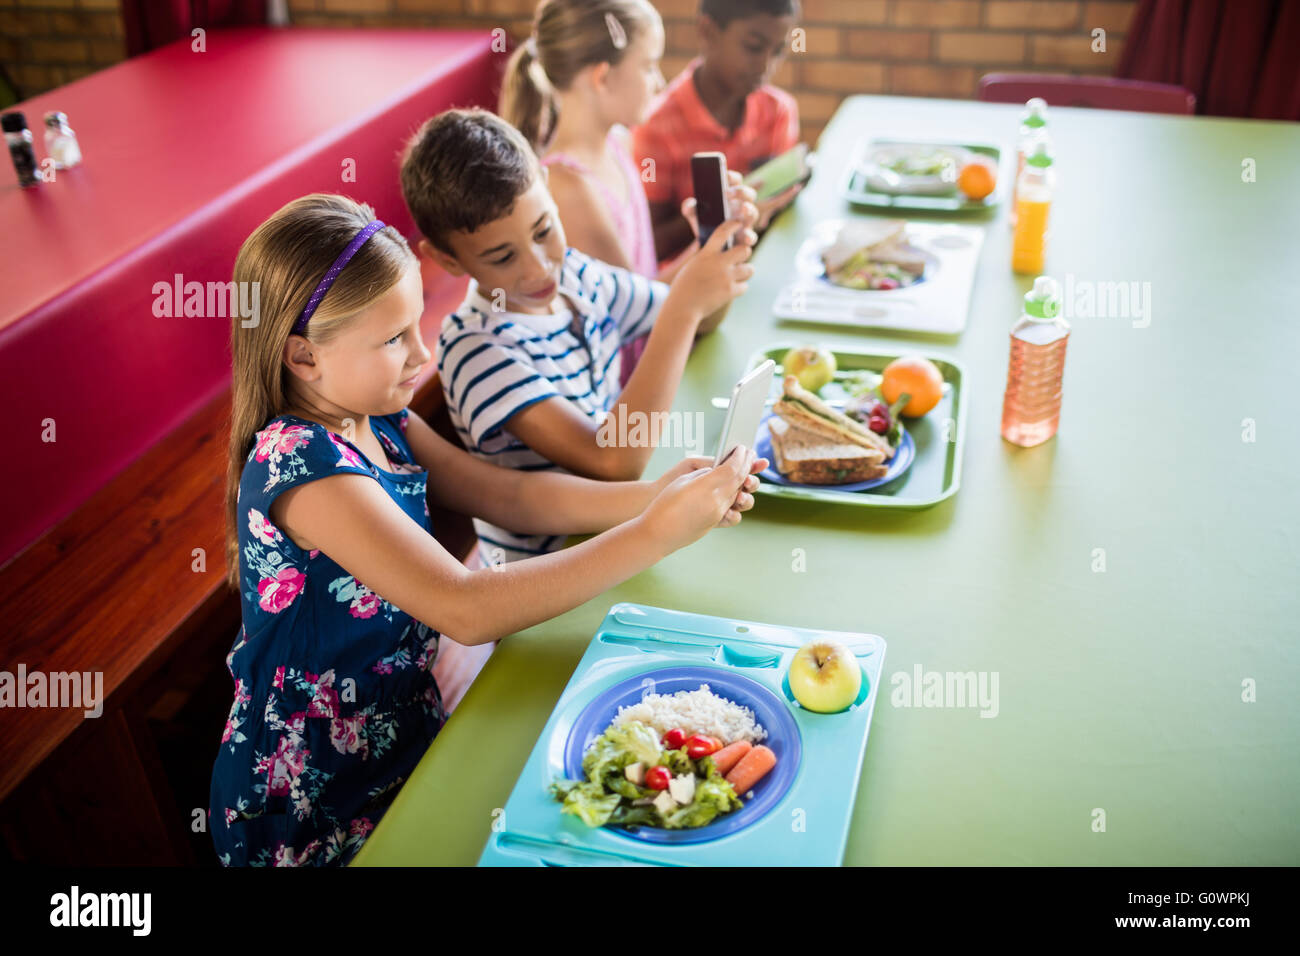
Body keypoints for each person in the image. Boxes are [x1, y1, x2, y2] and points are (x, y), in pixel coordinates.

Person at [209, 192, 764, 866]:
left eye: (417, 325)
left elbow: (512, 496)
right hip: (315, 795)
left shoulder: (379, 417)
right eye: (393, 339)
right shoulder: (303, 464)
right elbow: (465, 609)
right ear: (303, 357)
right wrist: (654, 534)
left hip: (405, 730)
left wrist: (654, 497)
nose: (422, 354)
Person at [400, 108, 758, 564]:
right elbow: (615, 462)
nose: (538, 267)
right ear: (448, 261)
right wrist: (684, 306)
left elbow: (706, 319)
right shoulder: (476, 350)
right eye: (502, 256)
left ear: (549, 193)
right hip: (553, 581)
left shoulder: (577, 275)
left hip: (624, 540)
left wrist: (718, 253)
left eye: (543, 230)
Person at [632, 0, 804, 263]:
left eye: (779, 51)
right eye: (754, 47)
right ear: (708, 32)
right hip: (688, 282)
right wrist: (719, 210)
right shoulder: (654, 128)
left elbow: (782, 211)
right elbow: (650, 243)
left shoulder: (778, 111)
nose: (766, 66)